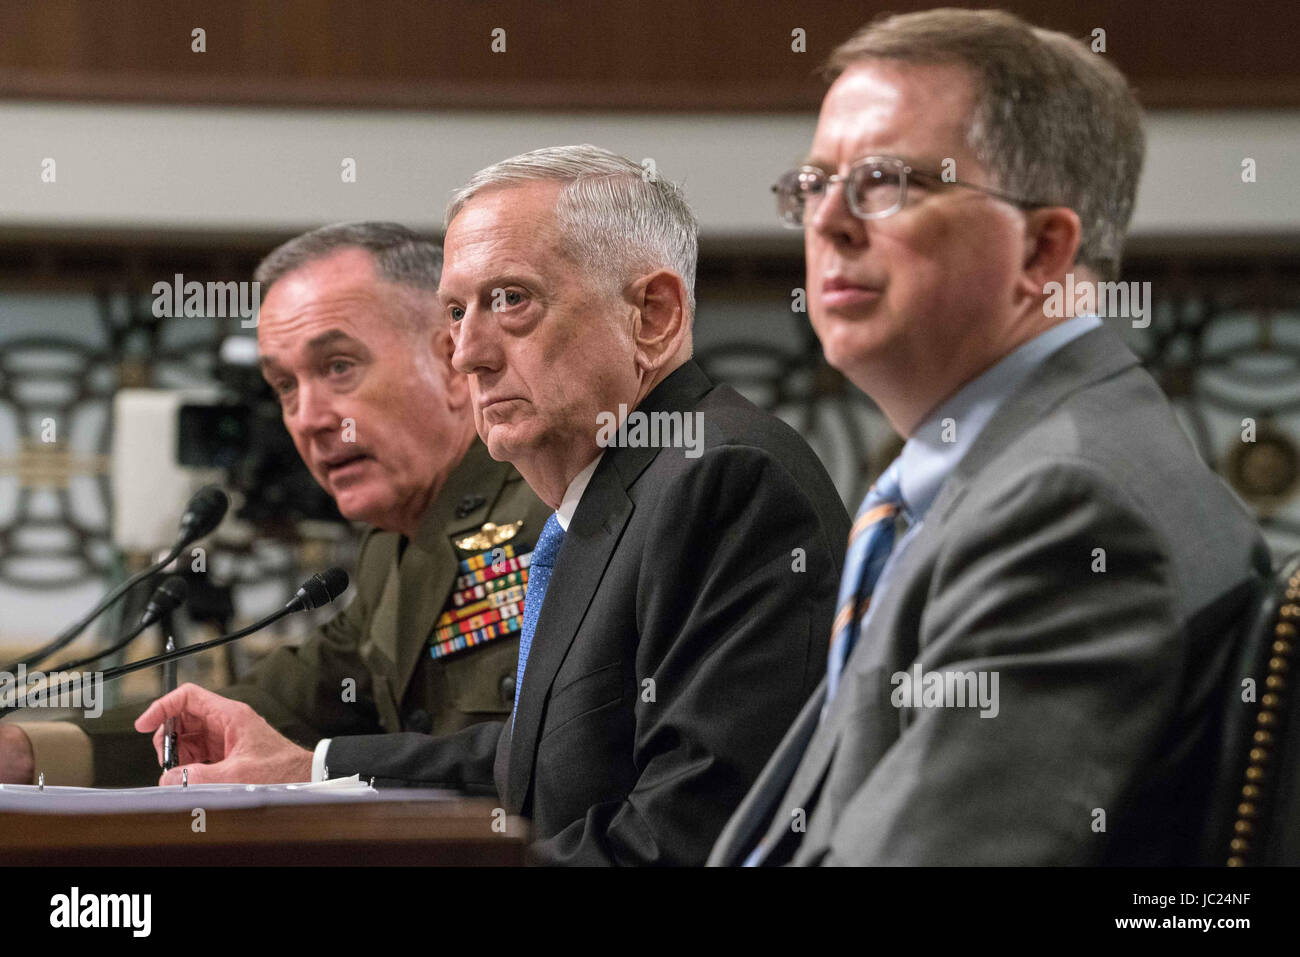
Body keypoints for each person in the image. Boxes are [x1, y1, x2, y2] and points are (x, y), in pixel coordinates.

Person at [135, 146, 852, 865]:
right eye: (456, 310)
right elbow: (533, 767)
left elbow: (688, 835)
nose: (468, 352)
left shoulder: (724, 481)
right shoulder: (606, 497)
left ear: (653, 315)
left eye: (510, 300)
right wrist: (308, 768)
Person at [709, 9, 1271, 866]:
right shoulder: (1003, 470)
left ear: (1044, 250)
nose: (829, 222)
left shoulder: (1069, 508)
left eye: (888, 181)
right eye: (815, 185)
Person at [0, 222, 551, 786]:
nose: (308, 418)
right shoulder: (392, 546)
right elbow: (270, 710)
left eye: (339, 367)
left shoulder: (551, 509)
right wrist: (25, 750)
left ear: (452, 362)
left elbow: (576, 752)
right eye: (285, 386)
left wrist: (320, 766)